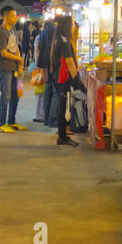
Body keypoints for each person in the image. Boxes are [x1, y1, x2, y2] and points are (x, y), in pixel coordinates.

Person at [0, 6, 26, 132]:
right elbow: (3, 53)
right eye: (12, 16)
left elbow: (16, 47)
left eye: (15, 16)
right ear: (5, 17)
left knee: (15, 96)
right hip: (4, 68)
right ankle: (1, 124)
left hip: (14, 68)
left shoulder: (12, 29)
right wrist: (19, 59)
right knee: (6, 95)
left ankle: (11, 121)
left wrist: (20, 63)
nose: (15, 18)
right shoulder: (0, 32)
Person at [51, 15, 80, 147]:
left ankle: (62, 134)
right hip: (62, 78)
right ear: (66, 26)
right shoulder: (63, 40)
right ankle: (62, 137)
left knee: (61, 106)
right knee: (62, 106)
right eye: (72, 25)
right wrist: (76, 79)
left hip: (58, 77)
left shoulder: (59, 39)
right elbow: (69, 61)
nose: (73, 27)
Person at [35, 19, 56, 123]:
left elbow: (39, 48)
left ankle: (46, 117)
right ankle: (52, 118)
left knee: (47, 90)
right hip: (53, 64)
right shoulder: (54, 31)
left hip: (44, 64)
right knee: (54, 92)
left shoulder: (42, 33)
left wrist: (40, 67)